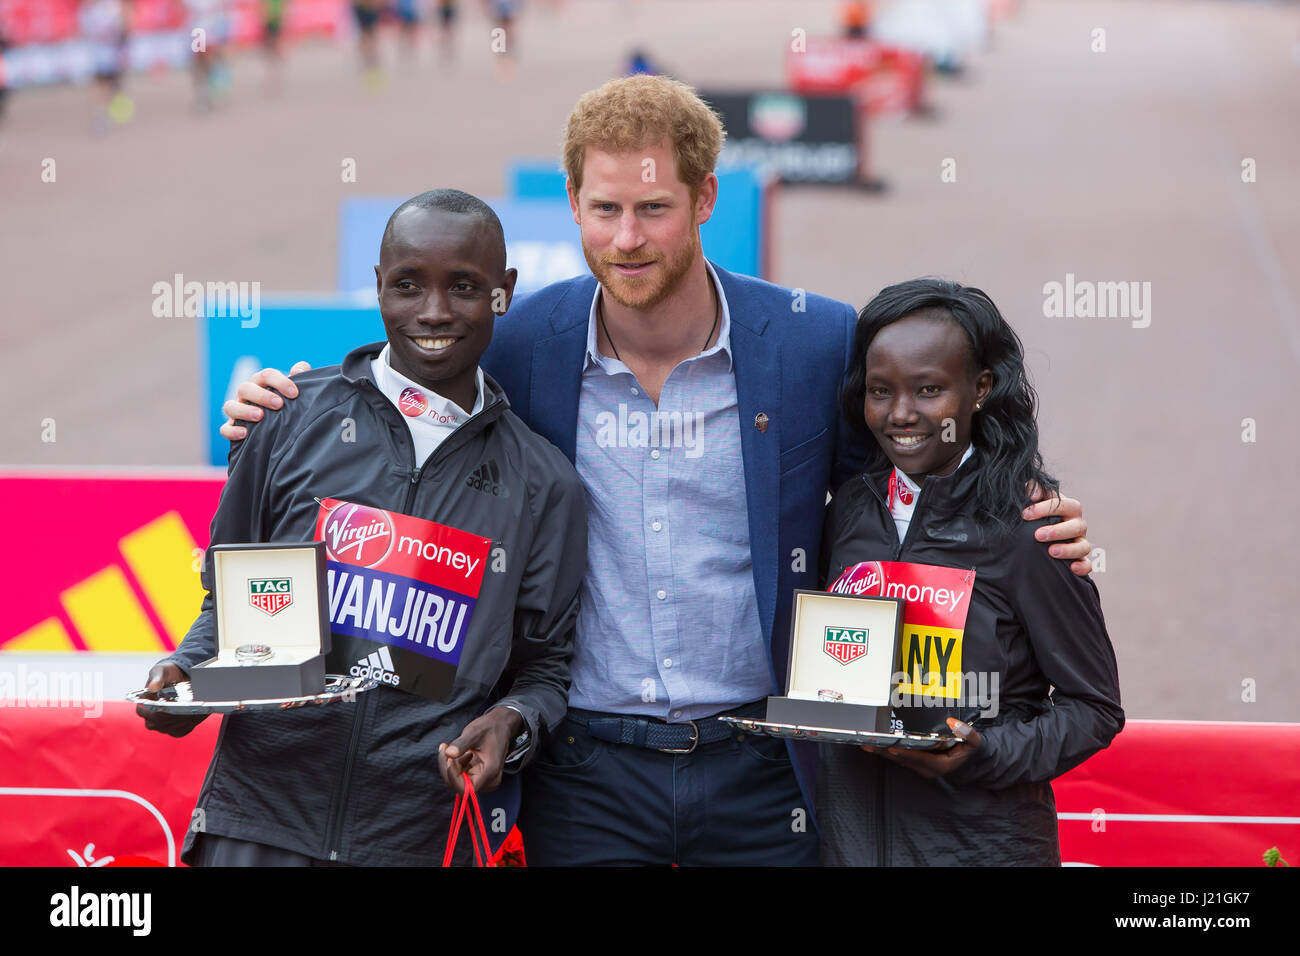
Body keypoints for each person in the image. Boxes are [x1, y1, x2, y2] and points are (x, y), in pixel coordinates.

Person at [221, 74, 1094, 866]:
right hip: (585, 773)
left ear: (705, 196)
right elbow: (414, 360)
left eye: (652, 208)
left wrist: (1022, 504)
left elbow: (910, 482)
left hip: (769, 771)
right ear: (571, 203)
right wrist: (280, 397)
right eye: (604, 209)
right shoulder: (525, 343)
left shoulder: (813, 341)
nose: (627, 238)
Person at [138, 190, 587, 866]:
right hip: (257, 826)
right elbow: (227, 609)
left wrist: (512, 723)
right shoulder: (286, 420)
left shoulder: (544, 484)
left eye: (463, 287)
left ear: (503, 292)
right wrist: (184, 674)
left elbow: (546, 668)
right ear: (379, 286)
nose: (434, 312)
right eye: (408, 285)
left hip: (420, 837)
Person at [818, 278, 1123, 865]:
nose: (901, 414)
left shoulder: (1030, 527)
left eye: (929, 390)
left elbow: (1095, 708)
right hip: (850, 846)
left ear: (979, 388)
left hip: (982, 849)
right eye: (880, 391)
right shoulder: (847, 510)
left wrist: (983, 752)